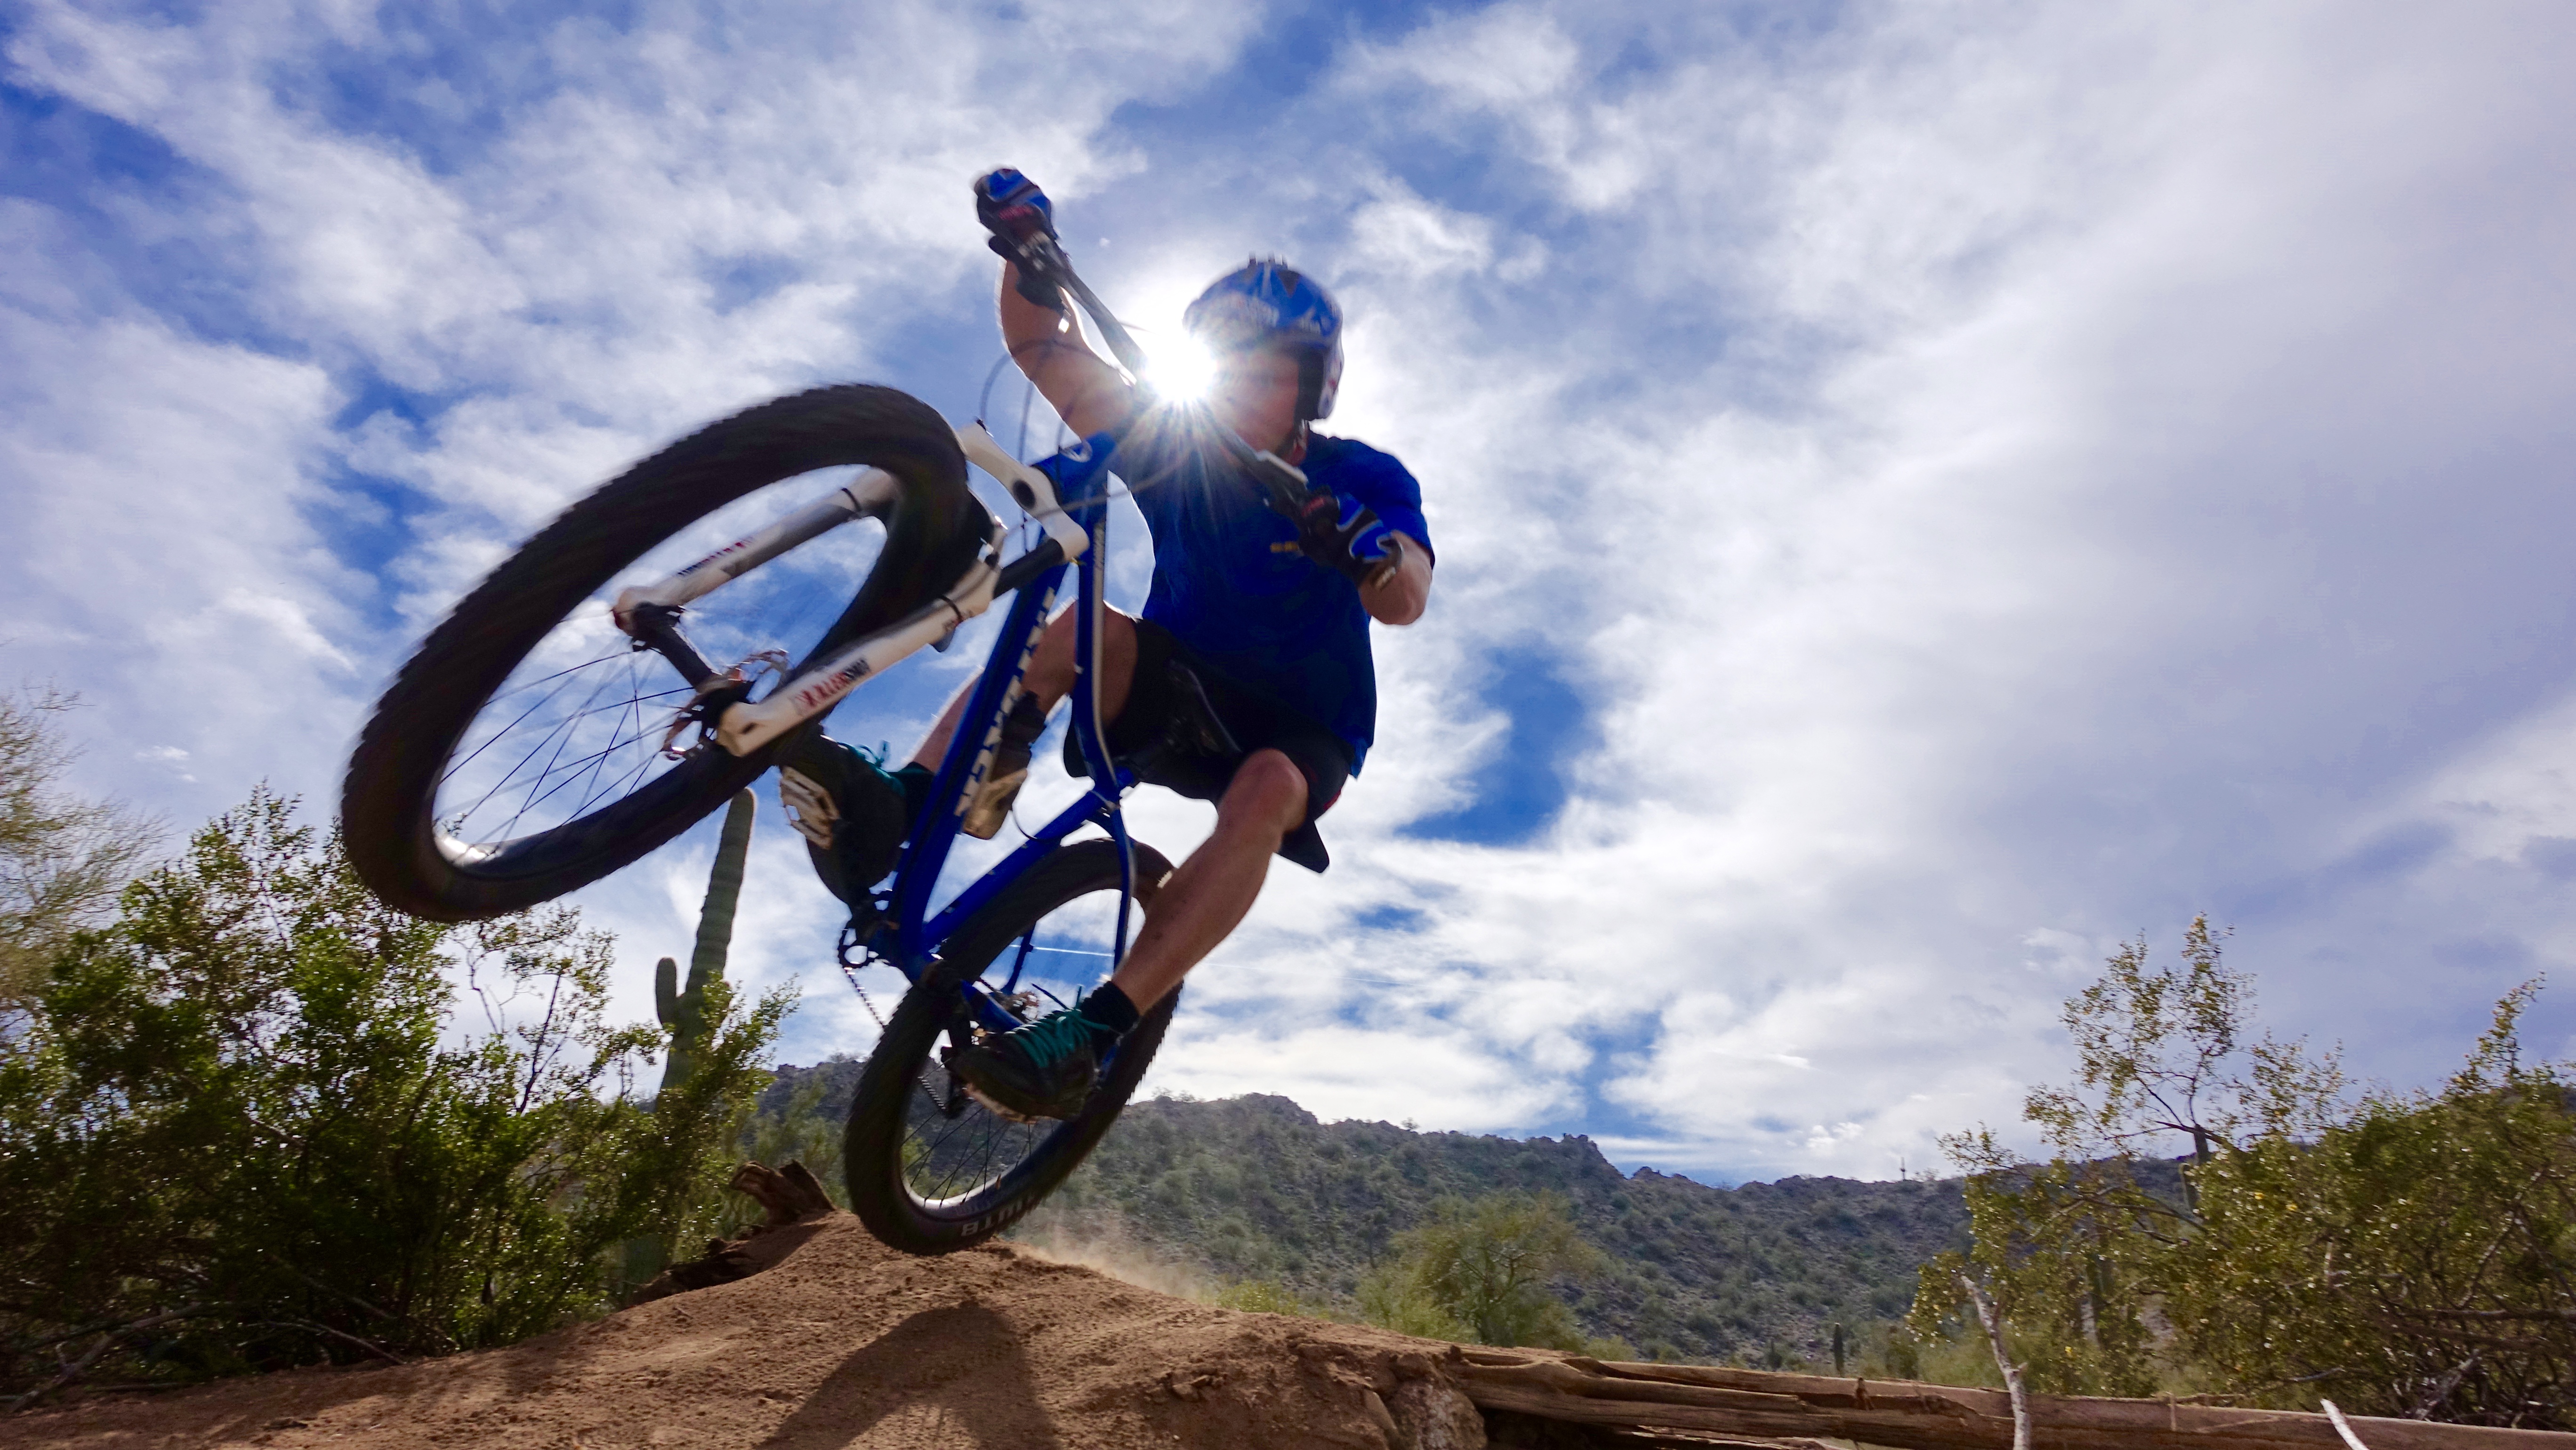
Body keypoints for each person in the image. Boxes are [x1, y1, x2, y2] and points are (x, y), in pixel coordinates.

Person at [777, 168, 1435, 1122]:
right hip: (1179, 682)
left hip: (1298, 730)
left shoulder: (1359, 473)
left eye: (1268, 365)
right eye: (1230, 359)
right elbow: (1044, 348)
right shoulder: (1179, 445)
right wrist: (1023, 257)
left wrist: (1368, 551)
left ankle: (1091, 1036)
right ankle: (907, 807)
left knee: (1268, 792)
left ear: (1312, 384)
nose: (1246, 379)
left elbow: (1407, 594)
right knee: (1088, 624)